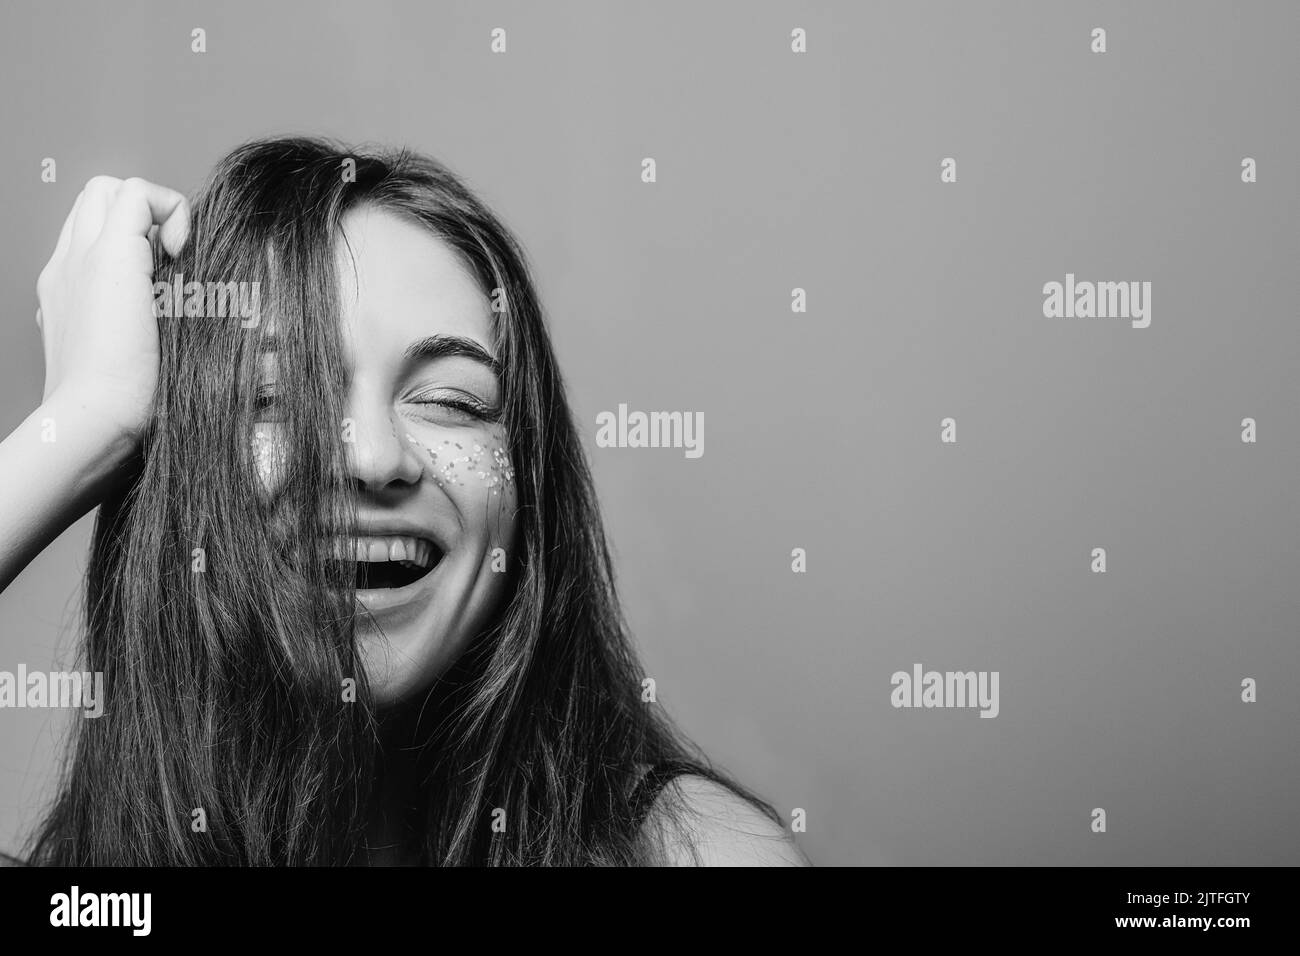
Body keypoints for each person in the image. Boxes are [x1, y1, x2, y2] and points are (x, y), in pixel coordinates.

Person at [0, 137, 809, 866]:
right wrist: (84, 423)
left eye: (453, 402)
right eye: (277, 395)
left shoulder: (698, 856)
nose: (372, 456)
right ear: (174, 472)